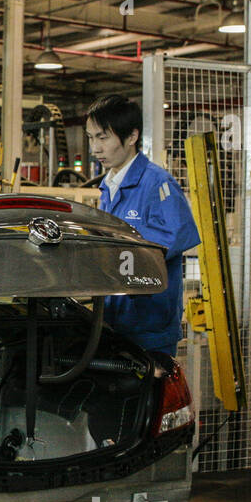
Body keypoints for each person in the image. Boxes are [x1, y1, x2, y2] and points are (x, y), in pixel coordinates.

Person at [85, 94, 199, 358]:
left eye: (103, 137)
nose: (95, 149)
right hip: (116, 320)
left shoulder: (157, 184)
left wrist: (112, 245)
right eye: (91, 138)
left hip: (149, 328)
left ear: (132, 137)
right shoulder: (109, 186)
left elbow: (176, 235)